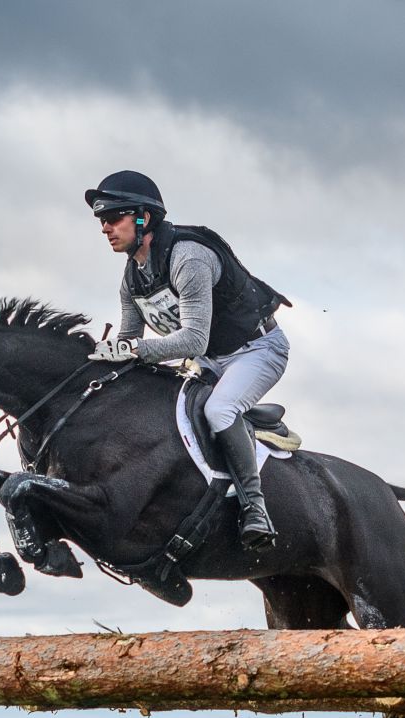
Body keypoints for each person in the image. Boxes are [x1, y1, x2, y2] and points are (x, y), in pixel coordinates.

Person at [84, 170, 291, 550]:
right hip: (213, 361)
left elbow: (194, 338)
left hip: (258, 350)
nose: (105, 228)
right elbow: (130, 342)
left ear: (144, 217)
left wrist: (131, 351)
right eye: (102, 221)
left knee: (220, 411)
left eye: (113, 218)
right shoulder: (132, 278)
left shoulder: (188, 257)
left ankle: (255, 507)